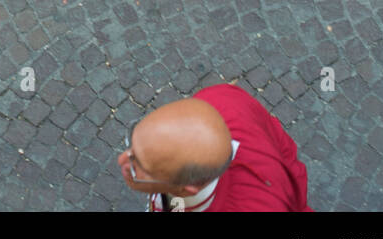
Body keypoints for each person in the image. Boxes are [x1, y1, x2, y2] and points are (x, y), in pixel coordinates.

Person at [118, 83, 313, 212]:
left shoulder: (260, 206)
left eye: (139, 166)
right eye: (131, 144)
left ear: (187, 189)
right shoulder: (220, 97)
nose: (122, 161)